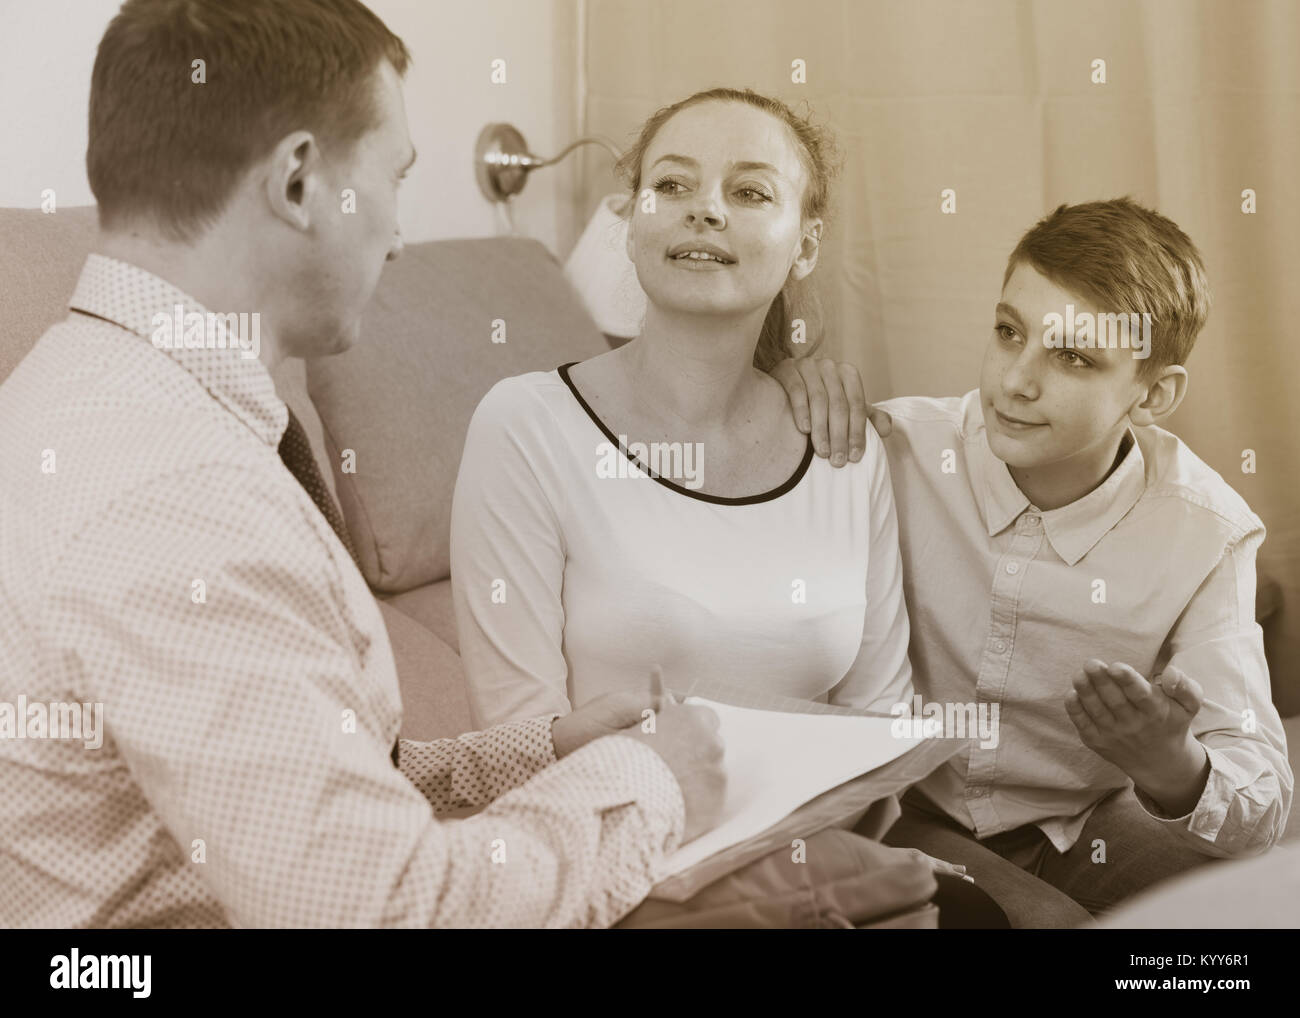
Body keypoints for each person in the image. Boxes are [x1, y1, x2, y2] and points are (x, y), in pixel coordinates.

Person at [0, 0, 730, 929]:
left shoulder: (86, 393)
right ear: (301, 181)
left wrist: (537, 753)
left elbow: (263, 781)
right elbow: (383, 914)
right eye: (396, 177)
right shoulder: (180, 500)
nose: (395, 235)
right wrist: (648, 782)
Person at [783, 198, 1293, 927]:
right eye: (1008, 332)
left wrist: (1171, 765)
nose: (1015, 381)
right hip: (908, 812)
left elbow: (1261, 794)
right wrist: (788, 385)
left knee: (1260, 913)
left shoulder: (1206, 531)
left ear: (1153, 395)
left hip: (1091, 826)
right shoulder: (890, 450)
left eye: (1073, 357)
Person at [450, 88, 913, 730]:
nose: (704, 210)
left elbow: (881, 722)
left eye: (749, 192)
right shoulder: (525, 425)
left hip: (825, 829)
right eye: (671, 185)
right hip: (608, 825)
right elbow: (522, 743)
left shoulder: (842, 445)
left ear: (806, 246)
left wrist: (831, 832)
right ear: (633, 224)